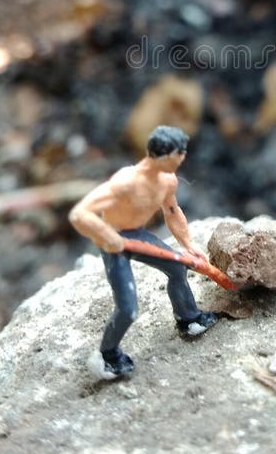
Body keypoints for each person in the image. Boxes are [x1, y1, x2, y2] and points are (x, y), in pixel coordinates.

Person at [69, 125, 217, 378]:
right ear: (161, 155)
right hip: (114, 243)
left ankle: (188, 318)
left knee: (178, 269)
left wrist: (188, 244)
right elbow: (79, 214)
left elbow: (171, 211)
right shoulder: (125, 182)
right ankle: (108, 356)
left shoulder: (167, 181)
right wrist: (107, 237)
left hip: (137, 236)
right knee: (128, 308)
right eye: (178, 155)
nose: (182, 160)